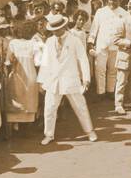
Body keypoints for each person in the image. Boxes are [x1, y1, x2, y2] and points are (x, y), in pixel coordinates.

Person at [36, 14, 97, 146]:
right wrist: (41, 81)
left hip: (71, 79)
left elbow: (83, 59)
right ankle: (49, 134)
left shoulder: (74, 40)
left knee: (80, 107)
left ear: (64, 27)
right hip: (53, 81)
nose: (55, 32)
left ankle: (90, 131)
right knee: (49, 108)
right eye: (53, 30)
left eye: (58, 29)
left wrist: (86, 79)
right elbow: (45, 62)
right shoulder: (50, 41)